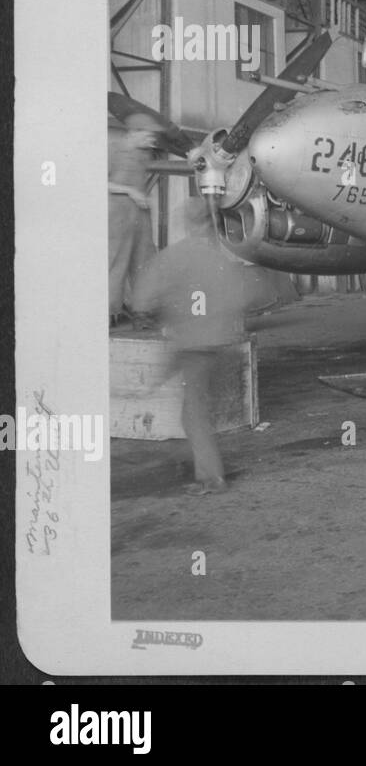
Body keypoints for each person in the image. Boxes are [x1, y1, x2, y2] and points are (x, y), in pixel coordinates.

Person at [132, 200, 270, 495]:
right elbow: (245, 296)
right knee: (193, 412)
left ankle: (212, 478)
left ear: (188, 223)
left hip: (189, 344)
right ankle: (204, 468)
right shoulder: (219, 258)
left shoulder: (175, 256)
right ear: (208, 222)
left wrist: (164, 309)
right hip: (216, 344)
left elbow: (141, 299)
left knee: (195, 414)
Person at [108, 112, 159, 326]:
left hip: (140, 215)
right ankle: (109, 313)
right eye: (149, 135)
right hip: (118, 215)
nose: (152, 141)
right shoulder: (112, 150)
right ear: (134, 133)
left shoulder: (143, 155)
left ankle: (142, 313)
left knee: (144, 263)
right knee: (116, 263)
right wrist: (130, 191)